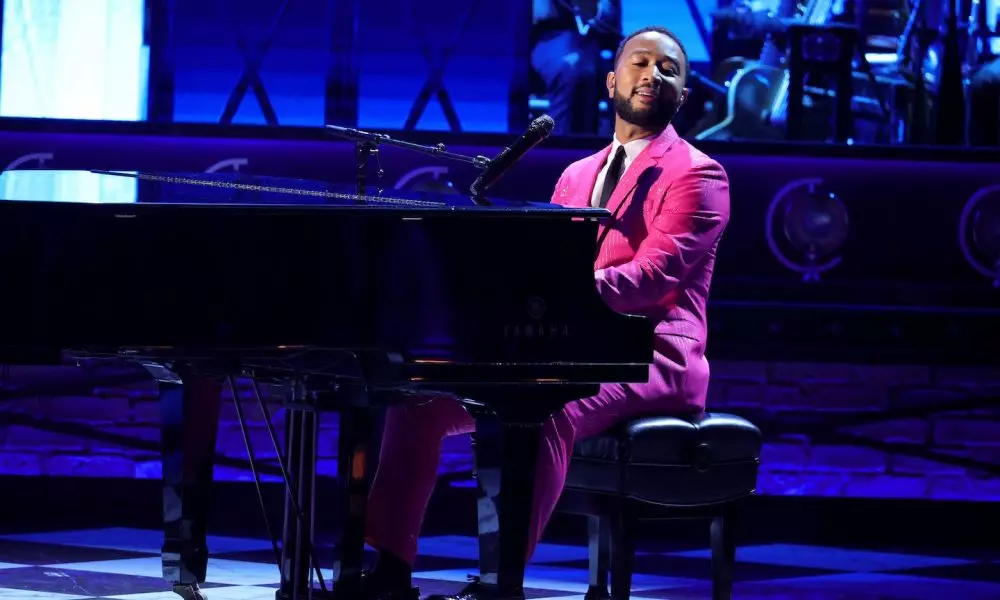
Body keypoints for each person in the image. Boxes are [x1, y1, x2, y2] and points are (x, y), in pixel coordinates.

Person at [363, 25, 731, 600]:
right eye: (640, 62)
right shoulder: (575, 175)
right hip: (574, 344)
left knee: (548, 403)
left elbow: (652, 277)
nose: (652, 74)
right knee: (419, 401)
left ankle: (497, 583)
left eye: (669, 69)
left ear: (682, 95)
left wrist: (555, 295)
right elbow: (545, 269)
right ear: (611, 80)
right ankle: (388, 569)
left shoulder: (699, 174)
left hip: (654, 357)